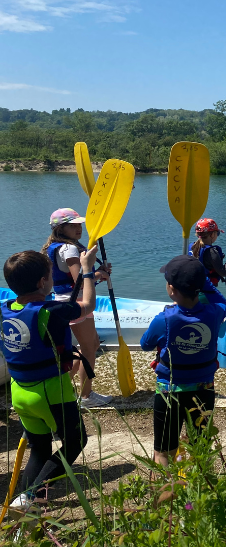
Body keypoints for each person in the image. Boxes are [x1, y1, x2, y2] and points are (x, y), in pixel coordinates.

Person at [1, 248, 97, 512]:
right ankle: (29, 497)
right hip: (50, 392)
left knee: (40, 450)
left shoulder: (4, 309)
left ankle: (27, 511)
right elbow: (89, 305)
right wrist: (87, 269)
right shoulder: (51, 310)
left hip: (19, 392)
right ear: (43, 281)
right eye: (51, 275)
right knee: (75, 441)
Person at [140, 256, 226, 469]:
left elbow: (145, 344)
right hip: (204, 390)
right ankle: (200, 488)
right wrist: (203, 281)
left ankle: (166, 489)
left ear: (171, 289)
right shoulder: (214, 313)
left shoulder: (163, 320)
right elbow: (222, 302)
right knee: (200, 448)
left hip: (169, 393)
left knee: (163, 451)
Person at [41, 208, 112, 409]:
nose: (78, 228)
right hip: (75, 301)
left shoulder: (58, 246)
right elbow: (80, 280)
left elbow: (82, 276)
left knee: (91, 345)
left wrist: (98, 272)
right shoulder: (69, 249)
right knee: (89, 348)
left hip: (68, 300)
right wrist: (99, 274)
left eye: (79, 224)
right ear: (60, 228)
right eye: (72, 225)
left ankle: (59, 386)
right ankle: (86, 396)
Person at [188, 218, 226, 287]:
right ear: (212, 235)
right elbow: (223, 272)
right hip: (206, 288)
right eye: (217, 233)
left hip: (192, 286)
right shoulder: (211, 252)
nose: (217, 235)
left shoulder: (191, 247)